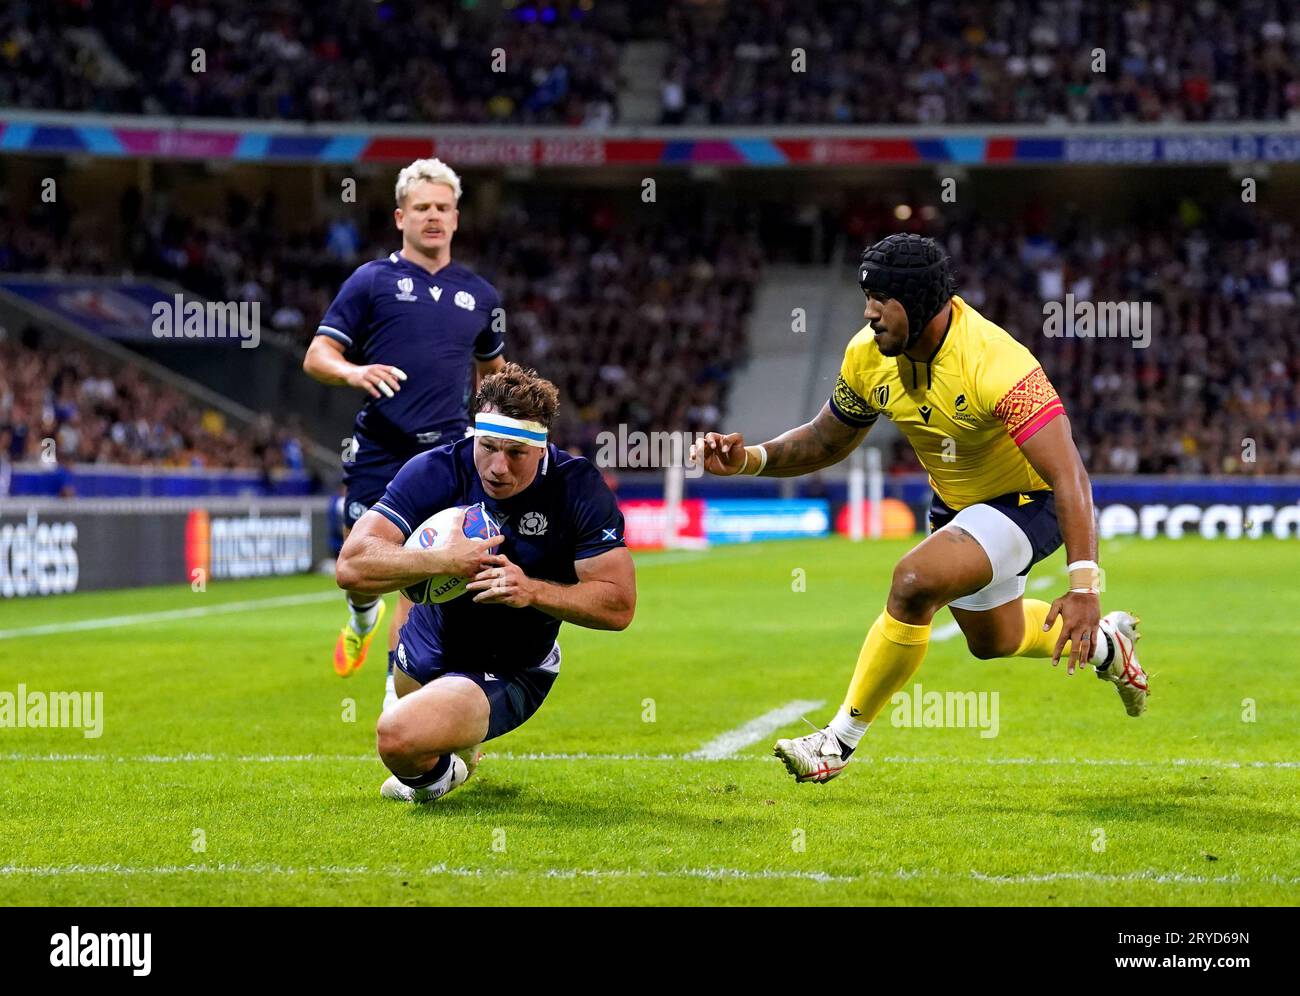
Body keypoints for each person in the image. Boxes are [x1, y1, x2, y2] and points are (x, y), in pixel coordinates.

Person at [692, 233, 1149, 785]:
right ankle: (1109, 648)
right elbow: (827, 440)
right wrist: (750, 459)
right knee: (994, 640)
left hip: (1030, 501)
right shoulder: (868, 355)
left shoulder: (997, 362)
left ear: (916, 303)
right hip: (958, 505)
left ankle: (836, 742)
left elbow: (1069, 474)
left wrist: (1083, 588)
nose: (869, 313)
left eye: (881, 299)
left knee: (913, 579)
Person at [336, 364, 636, 803]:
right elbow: (351, 566)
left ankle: (442, 774)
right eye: (488, 446)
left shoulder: (577, 488)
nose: (497, 467)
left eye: (515, 452)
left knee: (397, 736)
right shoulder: (436, 470)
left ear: (541, 448)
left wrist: (531, 590)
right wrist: (441, 560)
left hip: (514, 665)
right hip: (427, 644)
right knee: (410, 743)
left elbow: (619, 606)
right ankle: (452, 757)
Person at [304, 158, 506, 708]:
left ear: (457, 218)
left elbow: (494, 373)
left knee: (419, 581)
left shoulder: (482, 297)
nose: (433, 216)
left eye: (443, 207)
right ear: (401, 216)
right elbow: (318, 354)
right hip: (379, 450)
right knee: (362, 573)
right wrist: (353, 371)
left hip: (446, 458)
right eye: (422, 208)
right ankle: (359, 618)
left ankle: (401, 708)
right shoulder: (371, 281)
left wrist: (504, 423)